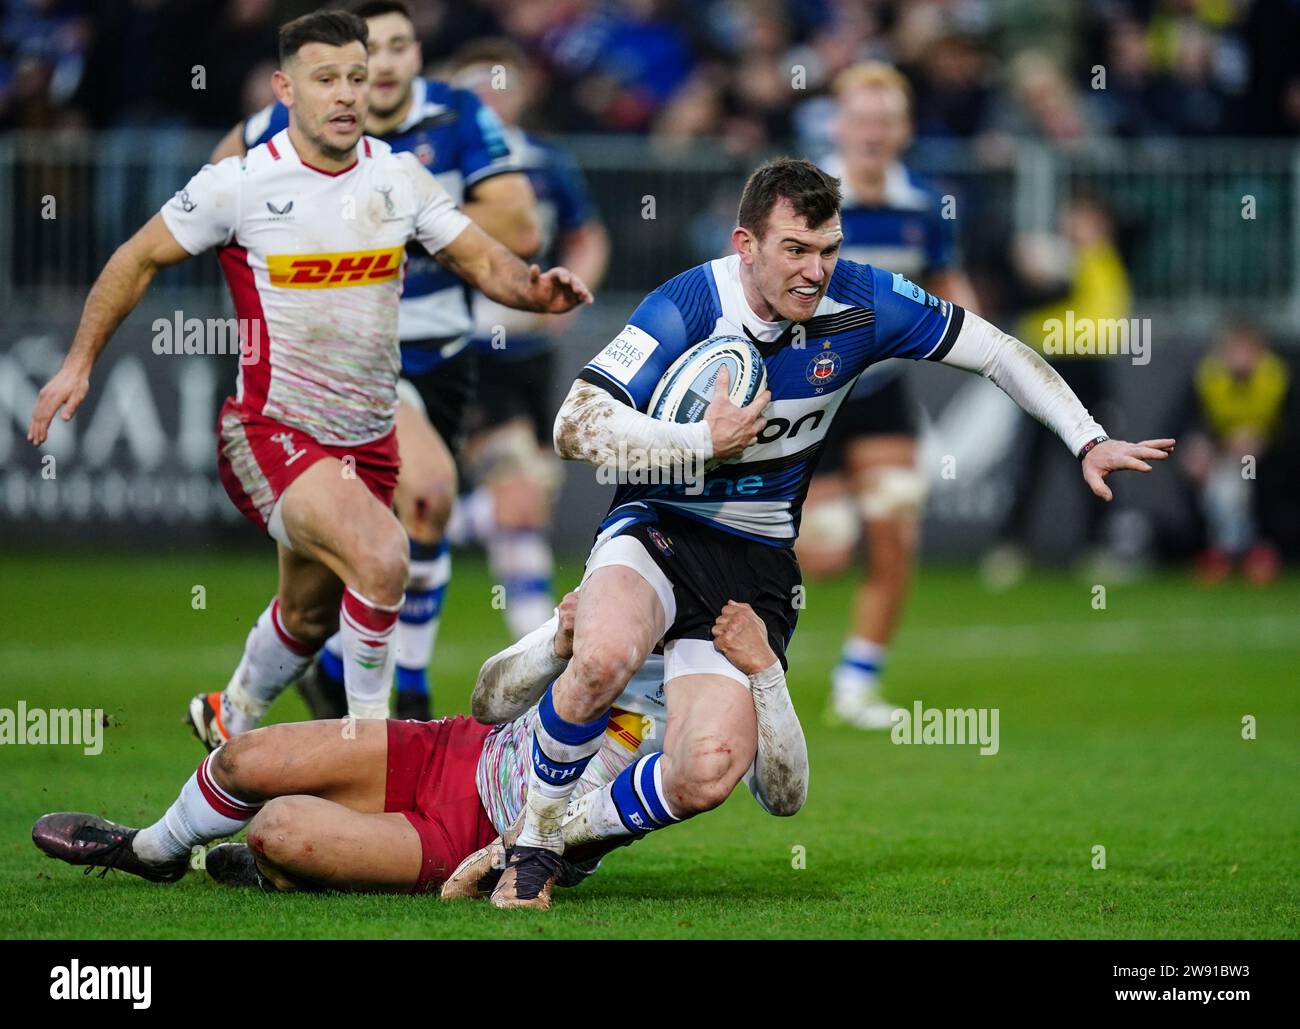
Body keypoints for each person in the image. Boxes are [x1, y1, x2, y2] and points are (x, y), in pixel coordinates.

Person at [491, 156, 1175, 910]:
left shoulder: (864, 300)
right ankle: (533, 848)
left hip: (756, 561)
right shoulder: (688, 301)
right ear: (745, 244)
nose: (816, 271)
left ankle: (565, 829)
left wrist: (1087, 438)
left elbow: (999, 352)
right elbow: (572, 425)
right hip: (659, 524)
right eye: (795, 250)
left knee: (709, 769)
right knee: (604, 659)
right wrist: (696, 445)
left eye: (829, 249)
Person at [26, 10, 590, 752]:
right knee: (386, 556)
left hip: (369, 436)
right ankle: (372, 752)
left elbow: (487, 261)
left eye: (357, 77)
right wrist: (76, 363)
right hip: (273, 430)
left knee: (310, 615)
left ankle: (231, 712)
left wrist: (534, 290)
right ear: (285, 88)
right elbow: (136, 258)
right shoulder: (240, 183)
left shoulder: (397, 176)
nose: (348, 93)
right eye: (327, 78)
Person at [211, 1, 542, 721]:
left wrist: (403, 216)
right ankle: (404, 705)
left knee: (313, 599)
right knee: (425, 496)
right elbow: (214, 201)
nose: (383, 67)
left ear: (415, 57)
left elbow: (521, 224)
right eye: (367, 55)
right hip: (352, 358)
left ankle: (264, 692)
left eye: (397, 48)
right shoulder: (281, 129)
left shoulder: (456, 116)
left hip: (443, 351)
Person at [31, 594, 807, 899]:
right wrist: (555, 645)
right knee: (241, 761)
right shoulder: (629, 583)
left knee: (277, 828)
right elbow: (487, 699)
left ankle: (280, 869)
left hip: (474, 836)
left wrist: (767, 671)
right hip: (448, 747)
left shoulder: (729, 661)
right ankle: (156, 848)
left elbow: (782, 795)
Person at [798, 61, 980, 730]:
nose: (873, 132)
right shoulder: (802, 195)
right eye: (862, 119)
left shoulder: (924, 206)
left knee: (896, 529)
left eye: (886, 120)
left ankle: (857, 685)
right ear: (840, 124)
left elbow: (946, 280)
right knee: (822, 554)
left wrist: (974, 336)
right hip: (806, 394)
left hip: (881, 391)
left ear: (903, 130)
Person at [446, 37, 611, 640]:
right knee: (518, 494)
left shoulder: (545, 163)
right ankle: (414, 529)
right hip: (467, 351)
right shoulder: (442, 165)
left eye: (502, 86)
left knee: (530, 502)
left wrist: (574, 289)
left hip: (531, 352)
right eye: (477, 89)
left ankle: (530, 641)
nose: (492, 98)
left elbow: (587, 235)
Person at [1176, 320, 1294, 584]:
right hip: (1223, 458)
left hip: (1272, 463)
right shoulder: (1208, 378)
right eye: (1233, 351)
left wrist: (1264, 440)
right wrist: (1199, 445)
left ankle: (1258, 547)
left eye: (1247, 351)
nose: (1240, 358)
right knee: (1223, 482)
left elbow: (1292, 426)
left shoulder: (1279, 378)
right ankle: (1225, 549)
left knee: (1247, 475)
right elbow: (1180, 423)